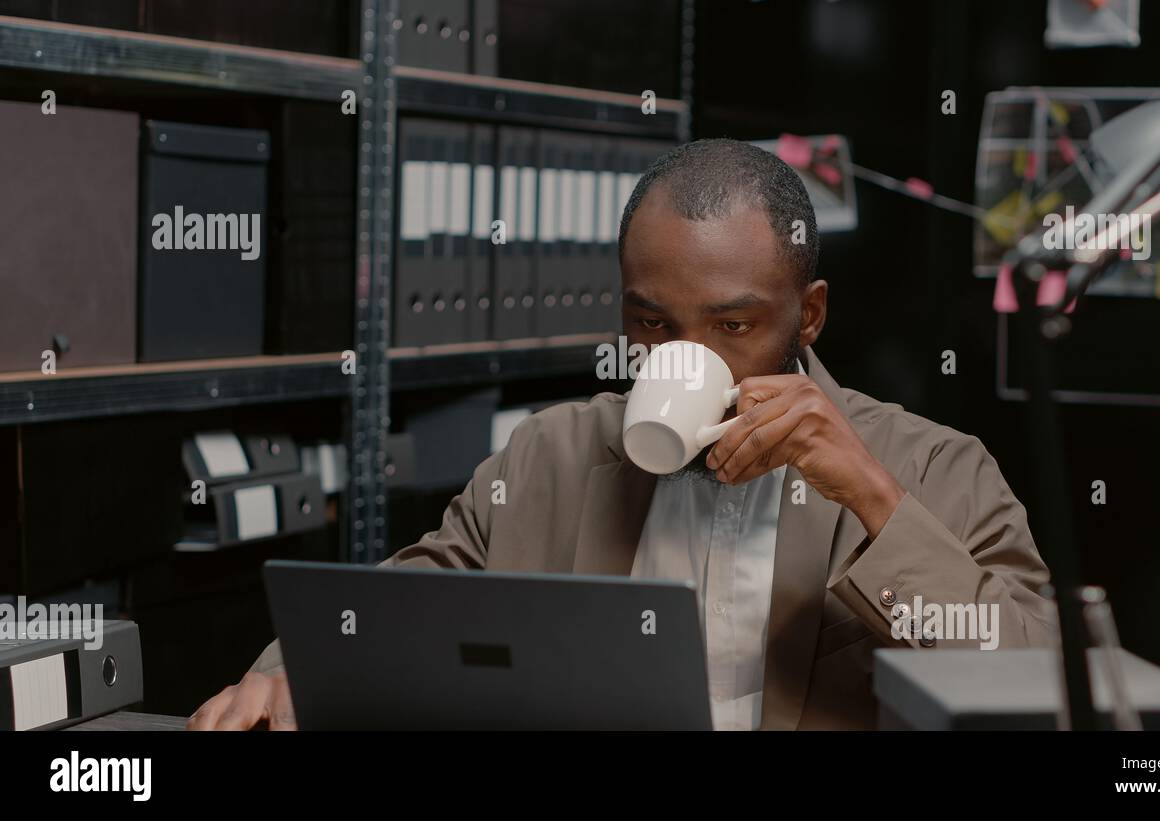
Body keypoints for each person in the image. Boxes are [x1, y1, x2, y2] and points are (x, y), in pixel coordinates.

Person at [188, 138, 1055, 731]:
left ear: (811, 315)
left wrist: (874, 500)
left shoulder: (925, 465)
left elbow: (1035, 681)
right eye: (652, 323)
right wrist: (287, 673)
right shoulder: (553, 455)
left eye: (732, 326)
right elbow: (392, 610)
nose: (686, 356)